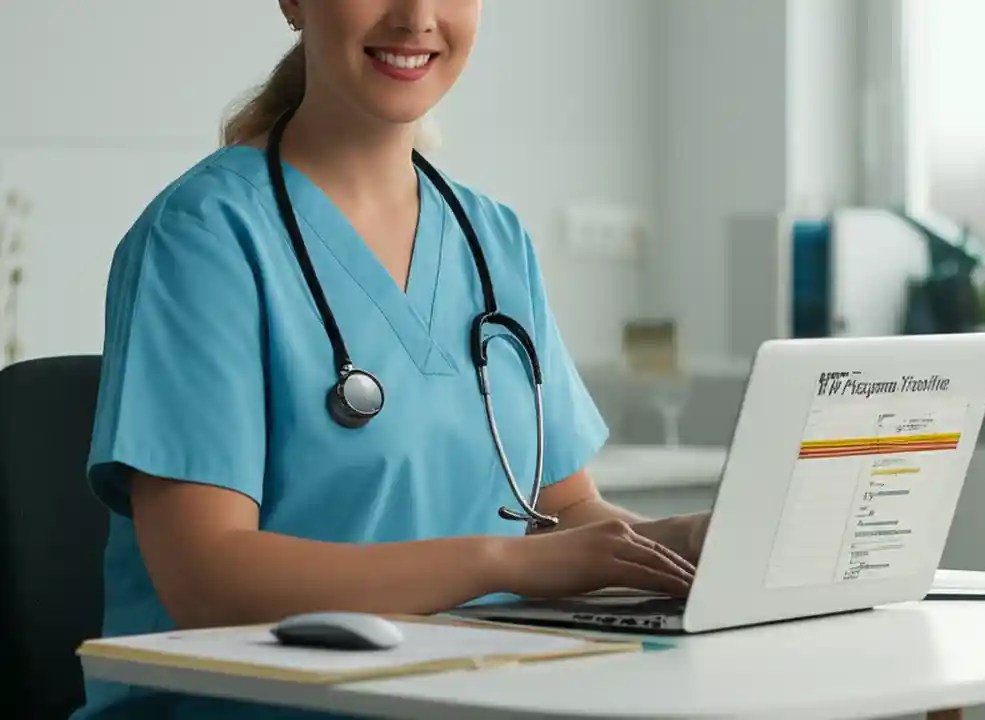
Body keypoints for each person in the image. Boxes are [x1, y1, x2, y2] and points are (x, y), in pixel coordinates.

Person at [74, 2, 708, 718]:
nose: (415, 16)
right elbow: (207, 579)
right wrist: (500, 564)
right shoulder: (204, 237)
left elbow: (558, 512)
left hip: (470, 696)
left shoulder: (490, 238)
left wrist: (683, 541)